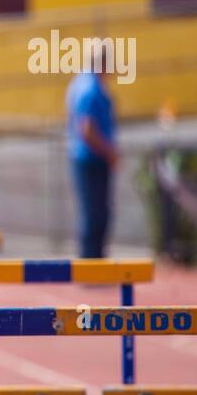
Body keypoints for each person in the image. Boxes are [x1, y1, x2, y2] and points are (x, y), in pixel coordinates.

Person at [65, 50, 118, 258]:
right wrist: (109, 152)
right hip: (92, 159)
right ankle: (92, 265)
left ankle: (92, 264)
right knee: (96, 215)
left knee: (93, 214)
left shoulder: (79, 83)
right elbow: (86, 129)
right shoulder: (91, 88)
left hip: (85, 157)